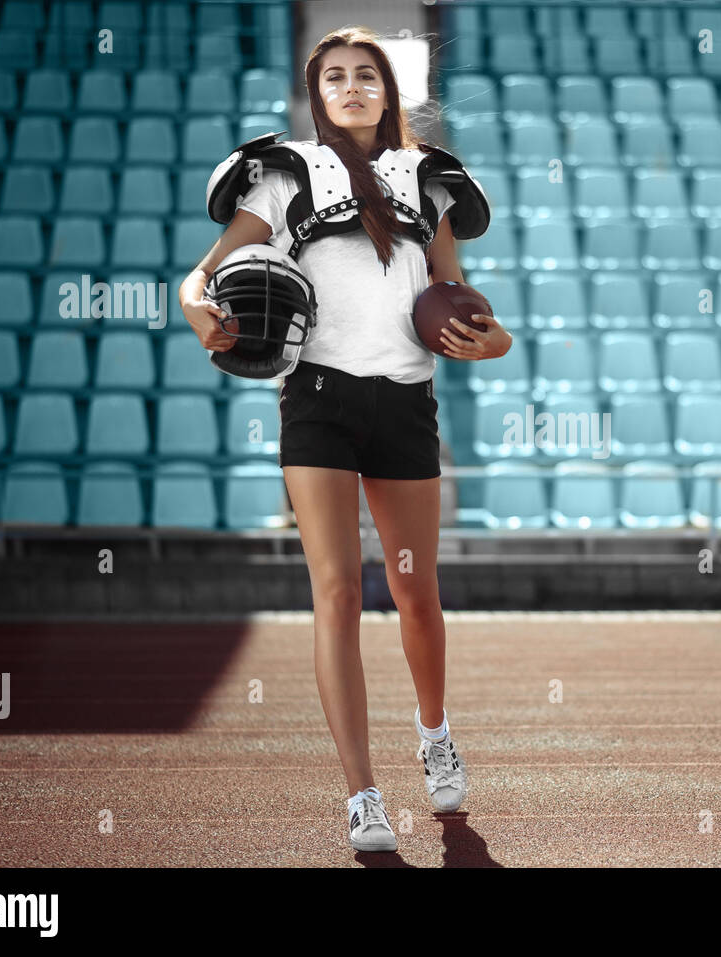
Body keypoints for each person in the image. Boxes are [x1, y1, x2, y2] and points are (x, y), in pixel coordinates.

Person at [180, 26, 511, 852]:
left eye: (368, 74)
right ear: (316, 91)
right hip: (318, 402)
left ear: (388, 89)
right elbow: (207, 271)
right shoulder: (283, 172)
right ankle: (362, 793)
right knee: (335, 593)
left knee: (416, 594)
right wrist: (194, 302)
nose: (353, 86)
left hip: (405, 402)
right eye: (336, 76)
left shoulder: (427, 177)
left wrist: (494, 339)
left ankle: (434, 732)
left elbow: (457, 294)